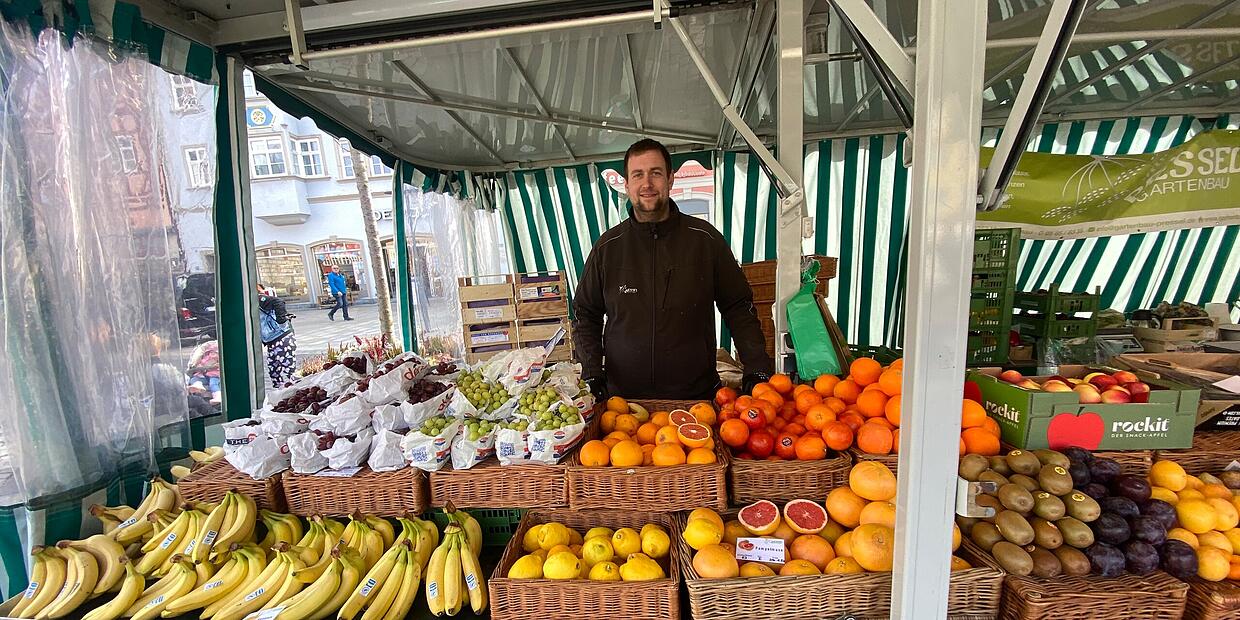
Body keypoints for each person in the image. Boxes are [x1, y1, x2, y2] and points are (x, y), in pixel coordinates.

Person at [573, 138, 773, 400]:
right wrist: (592, 372)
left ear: (670, 179)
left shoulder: (705, 240)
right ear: (627, 184)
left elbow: (738, 306)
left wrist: (756, 368)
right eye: (638, 175)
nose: (647, 184)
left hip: (696, 399)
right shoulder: (608, 248)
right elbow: (585, 313)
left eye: (656, 173)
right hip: (623, 403)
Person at [259, 284, 298, 387]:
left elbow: (278, 302)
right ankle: (282, 393)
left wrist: (281, 321)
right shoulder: (253, 301)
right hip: (272, 340)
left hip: (281, 338)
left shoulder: (259, 299)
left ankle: (297, 391)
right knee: (274, 373)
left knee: (289, 371)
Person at [186, 339, 221, 405]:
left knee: (213, 384)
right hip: (203, 374)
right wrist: (196, 364)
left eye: (215, 353)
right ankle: (198, 385)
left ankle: (218, 396)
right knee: (194, 379)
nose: (213, 355)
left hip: (214, 375)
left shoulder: (218, 359)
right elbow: (196, 365)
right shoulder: (205, 357)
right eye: (212, 353)